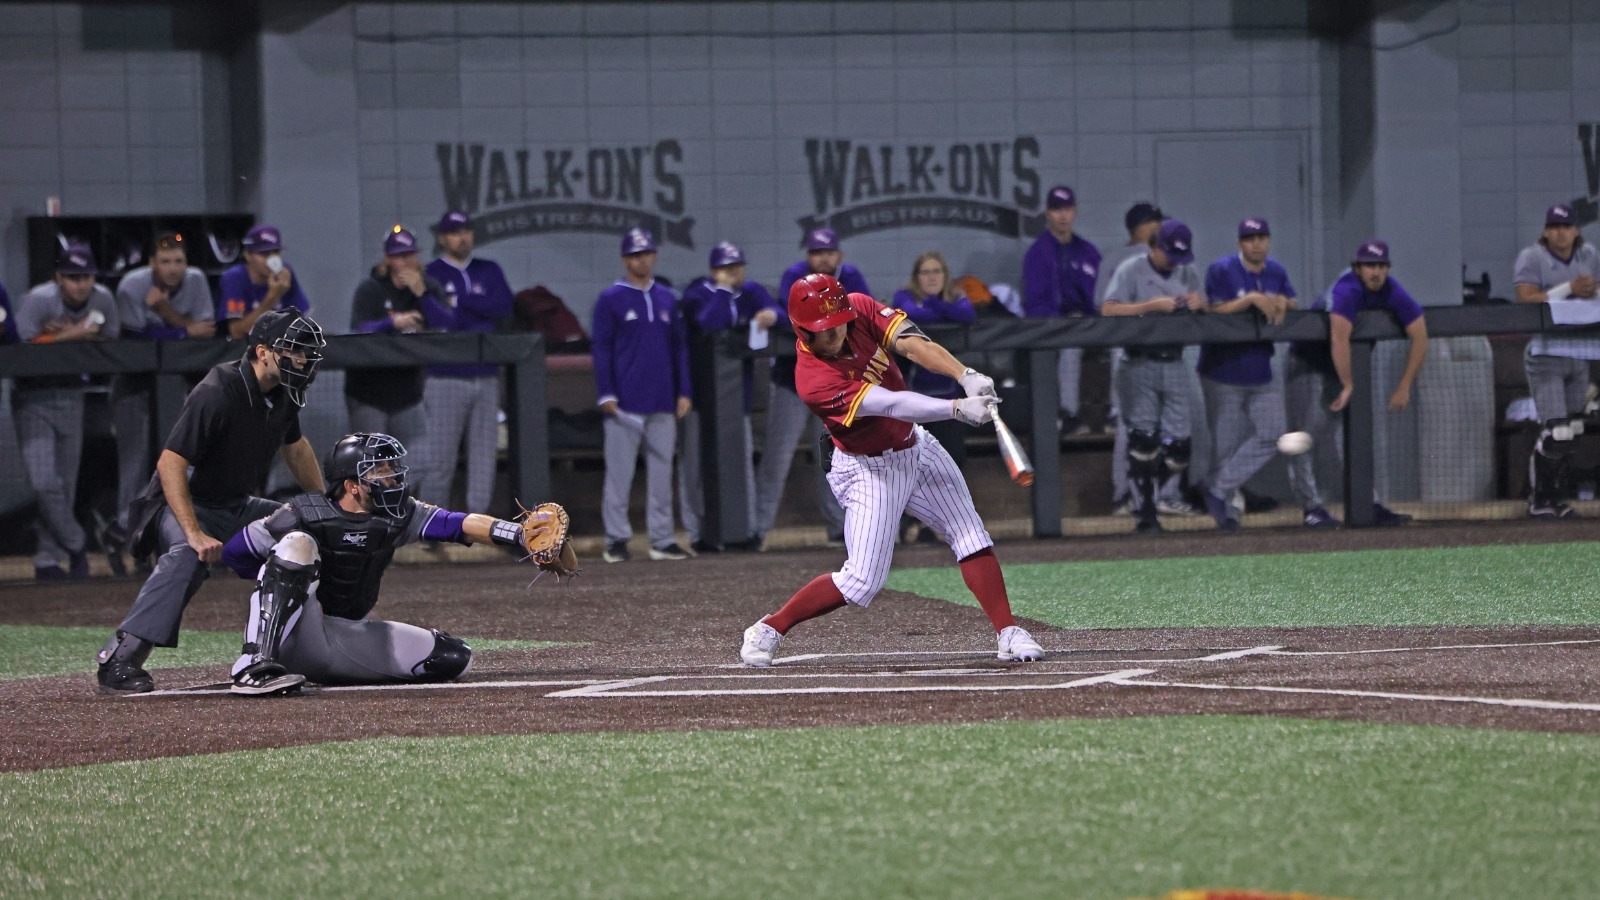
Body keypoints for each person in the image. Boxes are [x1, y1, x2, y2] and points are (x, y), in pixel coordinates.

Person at [739, 274, 1044, 667]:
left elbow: (913, 345)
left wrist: (963, 375)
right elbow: (891, 404)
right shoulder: (813, 380)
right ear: (803, 331)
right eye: (825, 331)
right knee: (861, 581)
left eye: (839, 324)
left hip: (914, 446)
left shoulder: (860, 307)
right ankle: (770, 628)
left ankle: (1008, 631)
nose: (836, 334)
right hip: (867, 469)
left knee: (970, 534)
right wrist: (955, 409)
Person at [220, 433, 563, 695]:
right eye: (380, 472)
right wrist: (290, 585)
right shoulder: (302, 515)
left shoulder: (397, 516)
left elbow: (458, 523)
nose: (393, 479)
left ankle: (322, 672)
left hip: (343, 636)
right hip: (294, 633)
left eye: (393, 470)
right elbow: (235, 553)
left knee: (453, 659)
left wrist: (518, 534)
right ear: (352, 485)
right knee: (298, 545)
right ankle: (254, 665)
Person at [94, 309, 327, 693]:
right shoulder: (218, 389)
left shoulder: (286, 391)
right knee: (188, 553)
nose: (302, 360)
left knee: (313, 527)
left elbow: (296, 448)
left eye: (306, 352)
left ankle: (307, 646)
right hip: (177, 504)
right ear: (263, 352)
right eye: (294, 351)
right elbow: (171, 464)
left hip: (235, 504)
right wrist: (194, 531)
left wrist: (320, 504)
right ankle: (120, 657)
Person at [1284, 240, 1426, 527]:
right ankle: (1311, 508)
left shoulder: (1392, 291)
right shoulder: (1347, 289)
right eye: (1369, 265)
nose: (1376, 272)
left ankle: (1367, 504)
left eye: (1381, 266)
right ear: (1358, 268)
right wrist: (1348, 383)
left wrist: (1404, 385)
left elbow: (1421, 336)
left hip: (1340, 367)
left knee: (1347, 438)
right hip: (1307, 362)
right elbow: (1338, 338)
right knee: (1303, 436)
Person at [15, 242, 120, 580]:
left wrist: (58, 336)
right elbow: (24, 346)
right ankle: (77, 543)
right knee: (43, 481)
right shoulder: (38, 300)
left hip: (74, 394)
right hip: (35, 397)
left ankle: (49, 558)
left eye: (86, 276)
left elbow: (114, 340)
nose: (80, 284)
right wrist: (75, 334)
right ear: (59, 277)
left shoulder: (103, 298)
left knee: (64, 484)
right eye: (72, 277)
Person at [112, 232, 216, 569]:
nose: (173, 268)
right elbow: (134, 338)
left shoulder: (196, 280)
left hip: (179, 386)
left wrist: (164, 313)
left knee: (176, 464)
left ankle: (166, 535)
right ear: (152, 263)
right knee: (134, 465)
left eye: (179, 260)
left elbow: (207, 333)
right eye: (165, 261)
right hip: (133, 385)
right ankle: (126, 539)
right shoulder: (132, 285)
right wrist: (183, 330)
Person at [592, 227, 692, 562]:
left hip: (662, 399)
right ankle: (616, 539)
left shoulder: (666, 296)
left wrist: (684, 390)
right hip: (625, 403)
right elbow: (602, 349)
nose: (642, 259)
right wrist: (606, 392)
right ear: (624, 259)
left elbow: (680, 348)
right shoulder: (610, 298)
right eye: (635, 254)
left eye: (647, 253)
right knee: (619, 474)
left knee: (662, 475)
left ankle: (661, 539)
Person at [1102, 219, 1207, 533]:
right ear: (1155, 245)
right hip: (1138, 362)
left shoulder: (1187, 272)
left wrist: (1200, 304)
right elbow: (1107, 310)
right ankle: (1145, 512)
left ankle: (1156, 496)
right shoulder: (1132, 269)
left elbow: (1207, 308)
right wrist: (1150, 306)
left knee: (1178, 448)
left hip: (1175, 360)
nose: (1175, 260)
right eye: (1169, 252)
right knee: (1143, 441)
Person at [678, 240, 783, 553]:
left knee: (741, 465)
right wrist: (722, 290)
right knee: (695, 467)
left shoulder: (752, 292)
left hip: (738, 397)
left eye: (736, 266)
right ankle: (698, 533)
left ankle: (743, 531)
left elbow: (780, 311)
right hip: (699, 397)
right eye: (726, 267)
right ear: (713, 270)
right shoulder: (698, 293)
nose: (733, 272)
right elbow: (711, 322)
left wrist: (771, 315)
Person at [757, 227, 859, 548]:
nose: (823, 257)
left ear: (839, 255)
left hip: (831, 383)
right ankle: (756, 531)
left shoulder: (851, 275)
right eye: (817, 252)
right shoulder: (795, 276)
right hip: (792, 379)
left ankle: (837, 529)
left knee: (831, 458)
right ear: (808, 256)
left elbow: (862, 314)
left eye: (828, 252)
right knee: (778, 455)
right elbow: (796, 316)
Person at [1197, 218, 1297, 532]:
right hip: (1223, 371)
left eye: (1261, 237)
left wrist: (1284, 301)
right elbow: (1214, 310)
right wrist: (1251, 299)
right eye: (1249, 238)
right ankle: (1226, 514)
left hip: (1260, 369)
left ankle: (1216, 487)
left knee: (1273, 433)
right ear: (1240, 242)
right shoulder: (1222, 269)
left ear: (1268, 240)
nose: (1256, 243)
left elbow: (1293, 300)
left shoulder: (1276, 271)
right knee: (1225, 446)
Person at [416, 211, 515, 513]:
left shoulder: (489, 270)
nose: (462, 237)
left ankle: (478, 526)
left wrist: (462, 302)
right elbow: (441, 319)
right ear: (443, 238)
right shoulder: (431, 273)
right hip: (444, 377)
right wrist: (467, 311)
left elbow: (504, 306)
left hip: (485, 376)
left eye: (466, 231)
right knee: (439, 458)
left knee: (484, 458)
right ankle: (430, 529)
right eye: (455, 232)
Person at [1513, 203, 1600, 519]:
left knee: (1574, 430)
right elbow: (1526, 298)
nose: (1559, 233)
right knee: (1557, 431)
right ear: (1545, 231)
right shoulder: (1532, 257)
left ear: (1576, 230)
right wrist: (1569, 289)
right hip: (1546, 351)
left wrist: (1591, 290)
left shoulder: (1587, 254)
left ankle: (1556, 497)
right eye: (1553, 227)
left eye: (1565, 227)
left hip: (1580, 351)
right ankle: (1538, 499)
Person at [892, 251, 975, 541]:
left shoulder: (955, 296)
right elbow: (913, 315)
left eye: (937, 271)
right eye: (925, 272)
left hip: (948, 399)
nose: (931, 277)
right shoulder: (904, 297)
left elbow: (967, 314)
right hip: (915, 400)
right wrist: (936, 307)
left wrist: (935, 303)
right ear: (917, 277)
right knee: (909, 464)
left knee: (952, 460)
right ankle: (905, 522)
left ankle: (935, 524)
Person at [346, 226, 451, 451]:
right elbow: (359, 328)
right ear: (387, 259)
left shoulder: (428, 288)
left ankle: (400, 489)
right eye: (399, 256)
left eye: (410, 255)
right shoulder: (370, 288)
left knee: (419, 459)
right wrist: (392, 323)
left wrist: (422, 294)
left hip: (409, 392)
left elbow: (445, 324)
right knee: (373, 462)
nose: (405, 262)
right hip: (368, 392)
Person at [1096, 202, 1167, 511]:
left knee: (1163, 428)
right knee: (1130, 425)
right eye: (1154, 222)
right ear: (1140, 226)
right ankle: (1124, 493)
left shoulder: (1165, 257)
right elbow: (1102, 303)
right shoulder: (1118, 259)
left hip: (1162, 350)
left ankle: (1157, 496)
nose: (1159, 226)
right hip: (1127, 348)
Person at [1022, 185, 1101, 436]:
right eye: (1057, 210)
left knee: (1124, 344)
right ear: (1048, 213)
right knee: (1070, 348)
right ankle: (1068, 413)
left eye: (1067, 209)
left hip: (1091, 325)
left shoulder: (1088, 252)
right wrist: (1063, 320)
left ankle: (1118, 414)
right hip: (1055, 327)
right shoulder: (1037, 254)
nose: (1063, 215)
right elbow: (1035, 303)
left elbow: (1101, 296)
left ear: (1075, 212)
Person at [216, 224, 310, 340]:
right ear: (248, 255)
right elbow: (237, 333)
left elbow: (302, 321)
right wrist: (272, 297)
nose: (272, 260)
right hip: (241, 350)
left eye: (276, 252)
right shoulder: (234, 278)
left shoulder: (285, 272)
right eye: (264, 254)